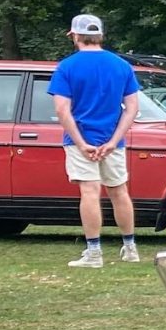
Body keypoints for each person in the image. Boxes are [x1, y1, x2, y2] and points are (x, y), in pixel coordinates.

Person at [47, 14, 142, 267]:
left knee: (89, 192)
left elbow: (62, 110)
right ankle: (130, 248)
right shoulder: (121, 65)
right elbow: (132, 108)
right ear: (100, 35)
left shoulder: (67, 67)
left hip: (81, 140)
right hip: (113, 142)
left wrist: (80, 143)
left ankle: (94, 253)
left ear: (75, 35)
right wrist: (113, 141)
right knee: (119, 192)